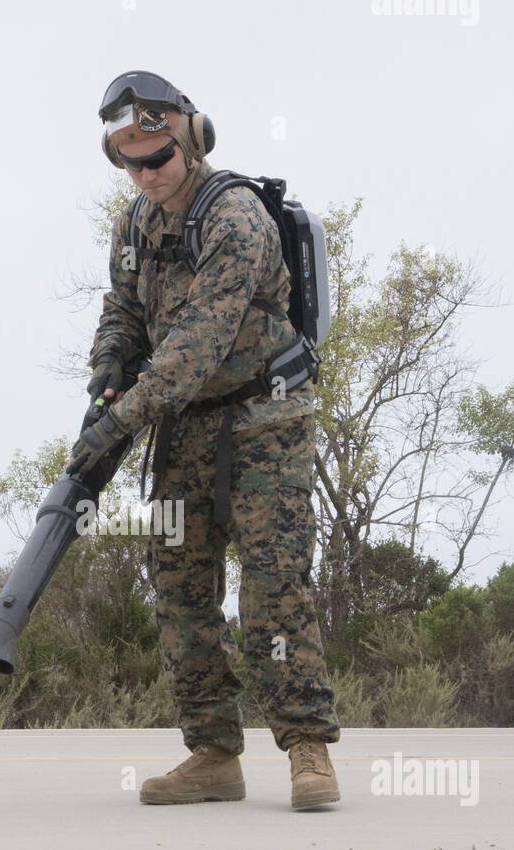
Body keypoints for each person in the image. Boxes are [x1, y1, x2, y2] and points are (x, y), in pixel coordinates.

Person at [66, 71, 341, 811]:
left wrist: (119, 425)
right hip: (184, 424)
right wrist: (105, 368)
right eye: (132, 162)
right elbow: (124, 310)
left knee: (274, 585)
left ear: (190, 141)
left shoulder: (237, 217)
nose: (147, 174)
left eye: (158, 157)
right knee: (179, 584)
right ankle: (214, 753)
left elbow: (197, 343)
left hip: (265, 418)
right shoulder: (132, 226)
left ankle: (308, 748)